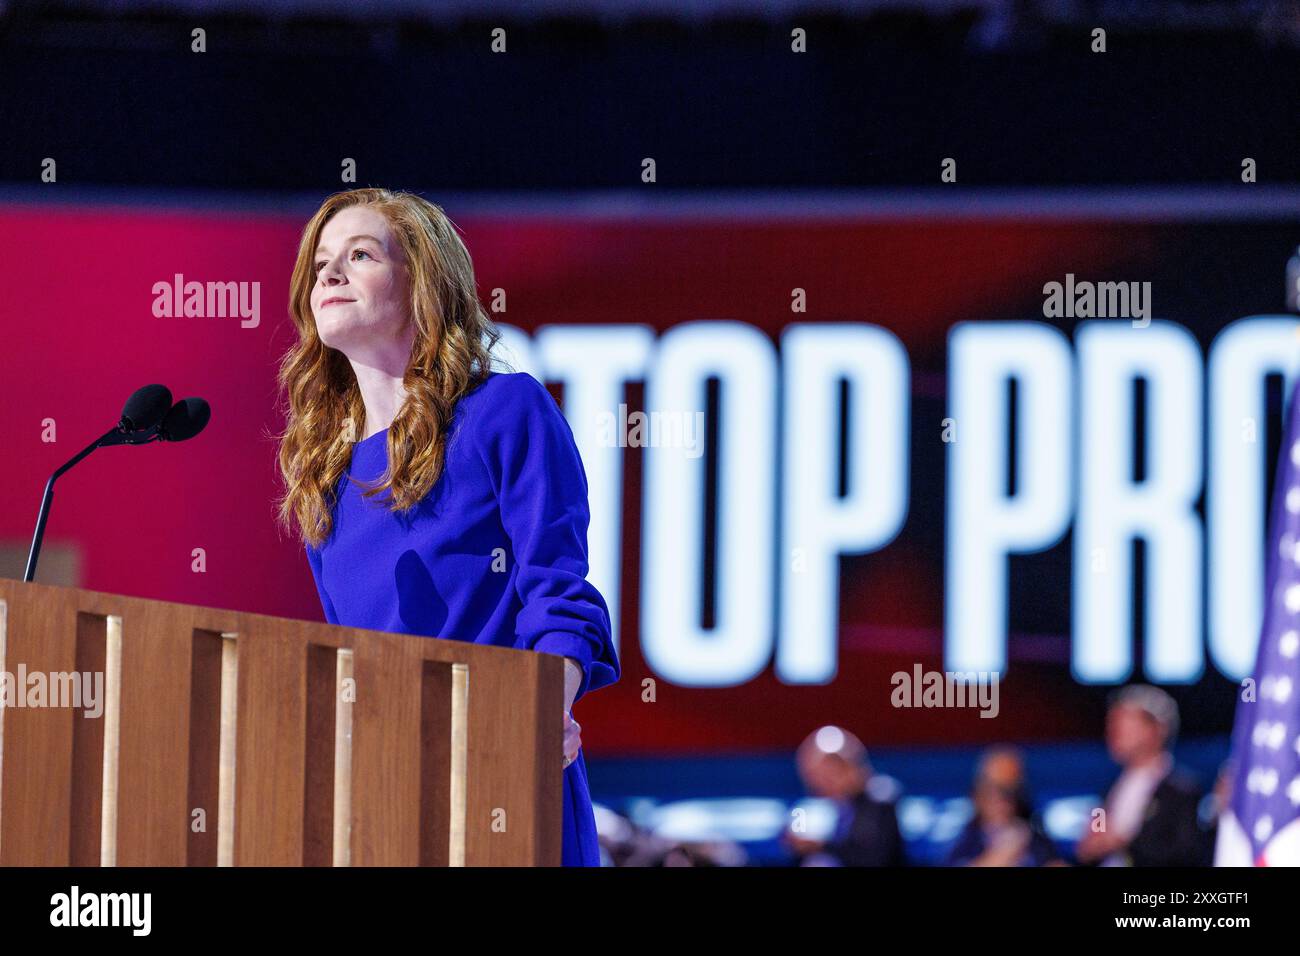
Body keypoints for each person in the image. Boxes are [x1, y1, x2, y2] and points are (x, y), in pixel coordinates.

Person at [275, 187, 620, 866]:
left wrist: (543, 702)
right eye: (320, 265)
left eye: (360, 254)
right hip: (381, 788)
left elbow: (559, 594)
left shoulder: (503, 410)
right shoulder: (323, 465)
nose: (331, 275)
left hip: (503, 763)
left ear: (422, 283)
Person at [1075, 684, 1207, 867]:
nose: (1114, 732)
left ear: (1157, 729)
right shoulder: (1111, 788)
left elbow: (1186, 852)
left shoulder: (1182, 790)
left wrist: (1122, 841)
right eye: (1111, 724)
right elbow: (1092, 842)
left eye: (1124, 724)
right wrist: (1090, 847)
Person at [785, 726, 906, 866]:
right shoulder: (832, 807)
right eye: (816, 778)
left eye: (828, 775)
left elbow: (873, 857)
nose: (822, 785)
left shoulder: (881, 797)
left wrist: (820, 846)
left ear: (850, 767)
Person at [944, 745, 1060, 867]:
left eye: (1011, 791)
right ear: (977, 795)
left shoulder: (1035, 835)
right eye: (993, 790)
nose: (1002, 800)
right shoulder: (967, 839)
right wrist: (1006, 851)